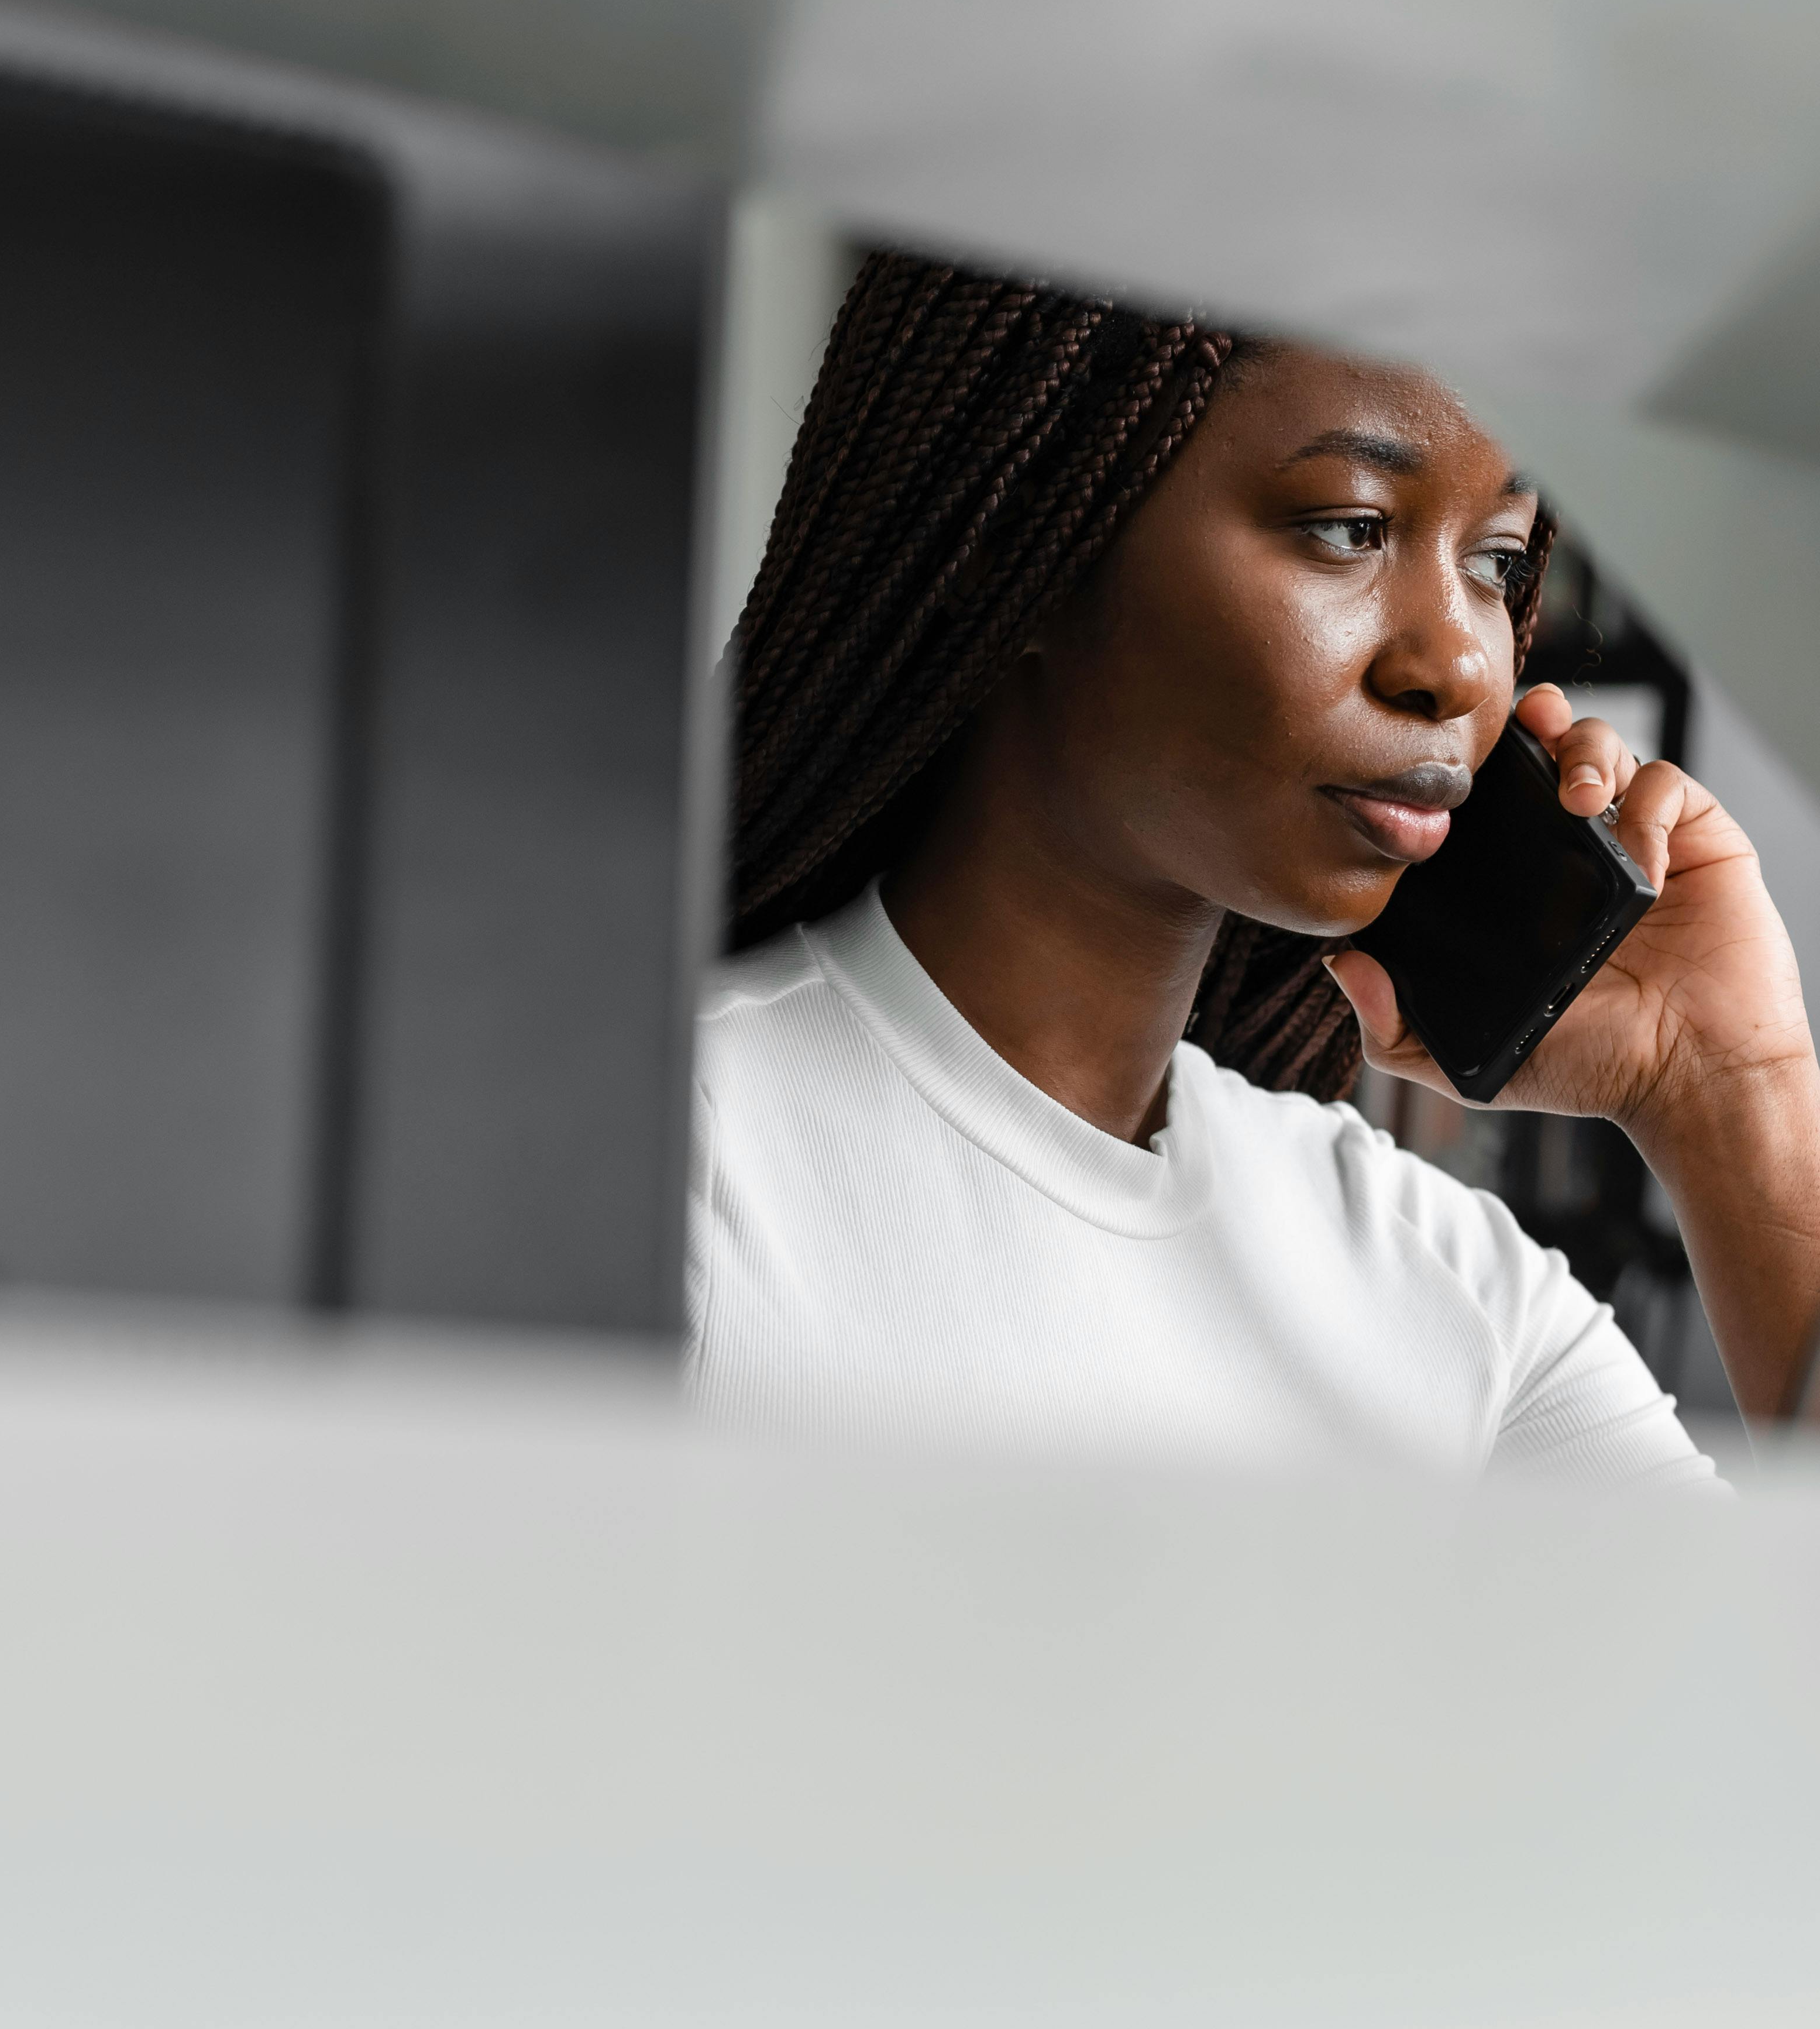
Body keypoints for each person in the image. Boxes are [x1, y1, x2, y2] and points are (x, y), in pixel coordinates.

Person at [689, 257, 1820, 1476]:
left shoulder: (1451, 1300)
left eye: (1495, 560)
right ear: (1030, 532)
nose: (1457, 664)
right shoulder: (683, 1174)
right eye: (1349, 528)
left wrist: (1726, 1094)